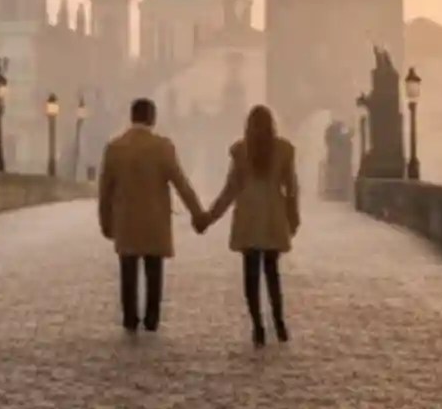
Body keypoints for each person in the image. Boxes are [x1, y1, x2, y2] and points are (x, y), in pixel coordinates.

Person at [196, 105, 300, 347]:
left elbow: (230, 190)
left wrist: (209, 217)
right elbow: (292, 188)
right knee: (272, 272)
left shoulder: (242, 151)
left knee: (251, 275)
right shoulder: (283, 150)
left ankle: (258, 327)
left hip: (249, 214)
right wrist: (293, 216)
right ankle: (279, 322)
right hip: (273, 212)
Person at [98, 98, 204, 333]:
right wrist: (198, 213)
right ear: (152, 118)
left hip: (125, 220)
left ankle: (130, 317)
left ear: (132, 116)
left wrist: (105, 221)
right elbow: (181, 183)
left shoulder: (115, 147)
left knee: (128, 271)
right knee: (154, 271)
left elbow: (105, 190)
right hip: (155, 220)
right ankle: (152, 317)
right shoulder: (163, 147)